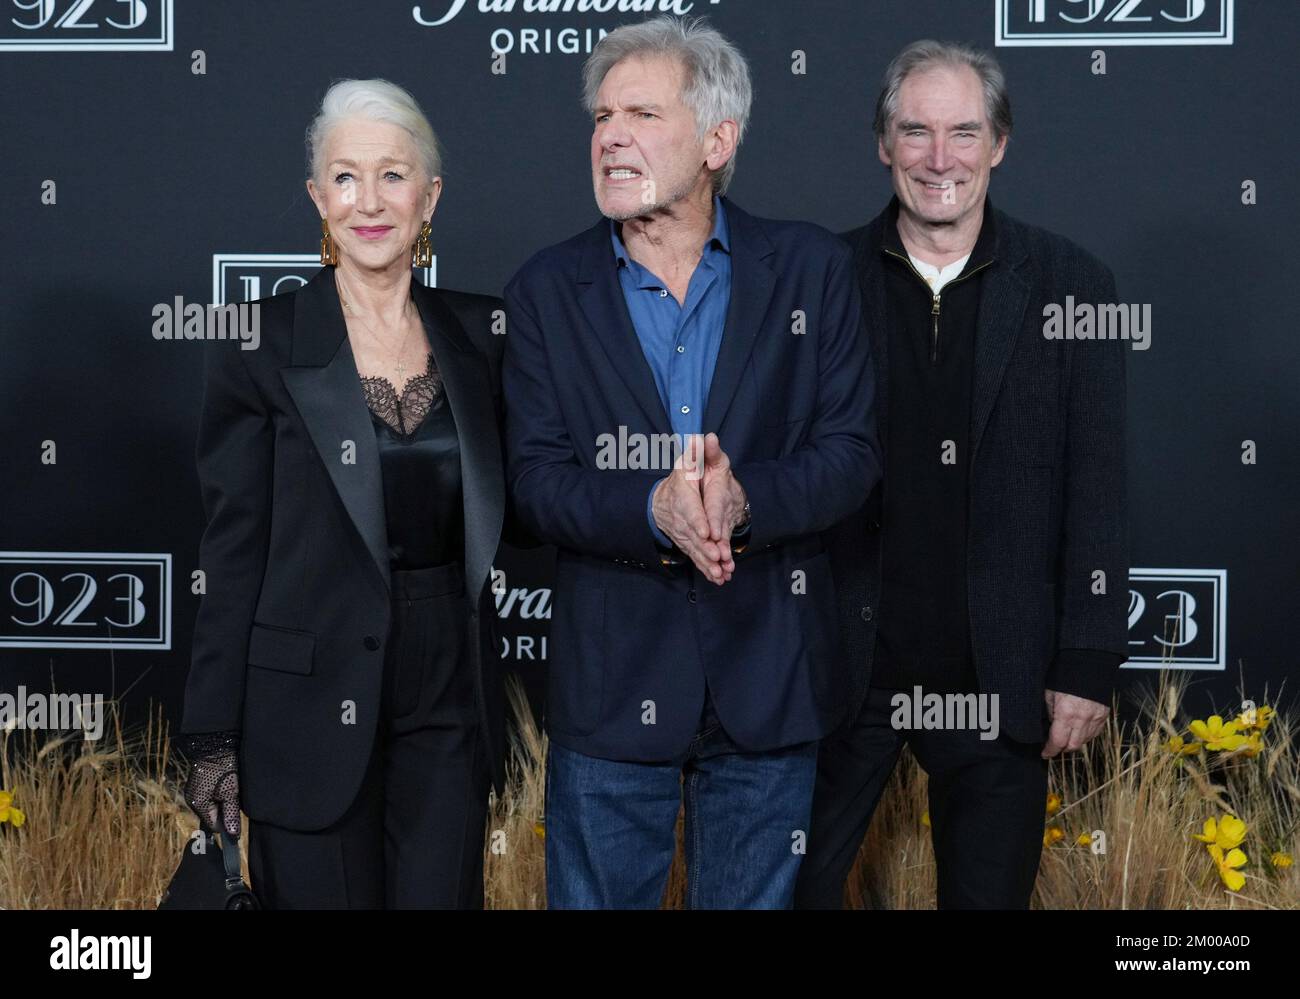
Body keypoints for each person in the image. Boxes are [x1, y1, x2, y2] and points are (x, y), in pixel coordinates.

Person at [502, 16, 880, 909]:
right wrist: (653, 508)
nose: (610, 137)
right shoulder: (546, 291)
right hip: (612, 684)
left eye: (641, 113)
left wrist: (743, 501)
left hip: (769, 680)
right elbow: (536, 481)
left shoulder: (811, 271)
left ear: (718, 140)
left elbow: (851, 454)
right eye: (601, 117)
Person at [795, 40, 1129, 909]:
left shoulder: (1072, 286)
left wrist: (1087, 658)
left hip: (1000, 670)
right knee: (787, 889)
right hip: (843, 662)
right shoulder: (820, 281)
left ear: (1000, 144)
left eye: (963, 132)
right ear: (883, 144)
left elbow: (1097, 482)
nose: (939, 159)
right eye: (915, 132)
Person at [177, 78, 514, 908]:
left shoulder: (486, 334)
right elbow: (232, 550)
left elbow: (531, 495)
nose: (370, 201)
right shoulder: (262, 343)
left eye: (394, 175)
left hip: (445, 696)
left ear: (430, 196)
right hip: (302, 704)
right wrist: (210, 733)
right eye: (346, 177)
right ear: (317, 197)